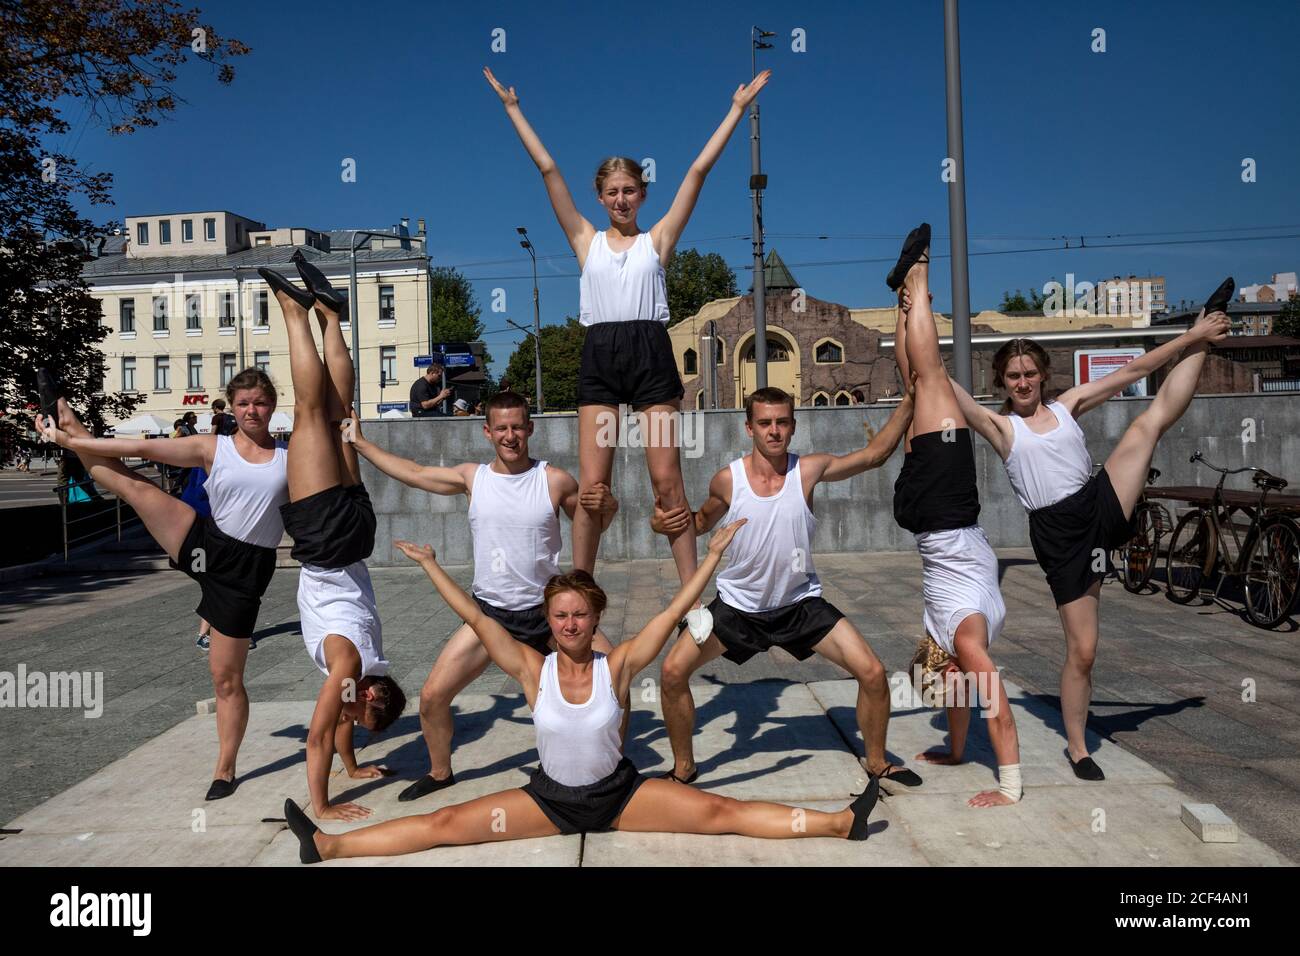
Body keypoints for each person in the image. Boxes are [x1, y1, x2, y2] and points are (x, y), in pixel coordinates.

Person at [282, 521, 885, 864]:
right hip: (550, 801)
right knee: (442, 822)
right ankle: (329, 845)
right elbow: (477, 615)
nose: (569, 625)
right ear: (549, 621)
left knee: (723, 815)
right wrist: (431, 565)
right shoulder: (529, 670)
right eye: (560, 616)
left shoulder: (618, 666)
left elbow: (675, 609)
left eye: (579, 615)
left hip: (621, 796)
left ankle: (839, 823)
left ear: (594, 619)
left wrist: (714, 557)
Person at [483, 65, 772, 642]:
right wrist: (514, 108)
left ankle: (692, 599)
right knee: (594, 489)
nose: (620, 199)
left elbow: (697, 170)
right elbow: (547, 169)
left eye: (629, 190)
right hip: (600, 352)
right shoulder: (585, 241)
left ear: (642, 194)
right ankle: (578, 593)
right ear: (600, 197)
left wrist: (736, 110)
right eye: (611, 191)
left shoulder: (655, 242)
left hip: (649, 351)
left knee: (668, 483)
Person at [945, 276, 1231, 780]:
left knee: (1148, 423)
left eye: (1030, 372)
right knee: (1083, 649)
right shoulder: (999, 426)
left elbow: (1138, 368)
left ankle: (1205, 330)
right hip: (1058, 533)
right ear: (1001, 381)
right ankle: (1078, 747)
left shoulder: (1067, 404)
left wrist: (1193, 336)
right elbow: (937, 380)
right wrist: (912, 322)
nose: (1023, 381)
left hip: (1098, 499)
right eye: (1013, 375)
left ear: (1043, 375)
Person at [348, 389, 621, 800]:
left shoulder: (554, 480)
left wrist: (610, 507)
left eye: (517, 427)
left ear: (529, 429)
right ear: (487, 432)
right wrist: (359, 442)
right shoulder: (473, 478)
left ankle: (610, 770)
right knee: (432, 697)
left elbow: (592, 523)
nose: (510, 436)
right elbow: (414, 472)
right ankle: (441, 773)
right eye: (501, 428)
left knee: (616, 680)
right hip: (489, 617)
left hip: (546, 617)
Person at [651, 386, 922, 790]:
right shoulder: (729, 479)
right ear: (749, 428)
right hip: (738, 608)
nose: (773, 431)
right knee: (672, 672)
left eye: (781, 422)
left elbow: (874, 455)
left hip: (800, 606)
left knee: (874, 672)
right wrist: (663, 524)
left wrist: (910, 400)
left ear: (793, 426)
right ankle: (684, 767)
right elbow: (699, 522)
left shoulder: (808, 470)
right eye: (764, 423)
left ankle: (878, 761)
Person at [38, 366, 288, 800]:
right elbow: (136, 445)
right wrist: (72, 442)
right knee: (127, 482)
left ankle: (224, 768)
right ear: (232, 406)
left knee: (226, 680)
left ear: (273, 405)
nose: (252, 410)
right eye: (244, 403)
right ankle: (64, 416)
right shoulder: (213, 446)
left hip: (244, 572)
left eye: (260, 402)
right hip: (204, 543)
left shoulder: (289, 456)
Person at [259, 256, 407, 822]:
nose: (352, 723)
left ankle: (329, 317)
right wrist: (323, 802)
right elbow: (319, 736)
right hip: (324, 538)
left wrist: (354, 766)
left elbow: (343, 724)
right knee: (311, 415)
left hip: (356, 534)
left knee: (343, 412)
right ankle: (296, 315)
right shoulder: (346, 665)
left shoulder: (368, 664)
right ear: (368, 693)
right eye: (363, 720)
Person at [889, 223, 1021, 807]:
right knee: (932, 376)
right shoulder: (966, 642)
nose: (948, 695)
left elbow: (962, 702)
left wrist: (955, 751)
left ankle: (906, 298)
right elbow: (996, 706)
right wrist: (1009, 787)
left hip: (934, 514)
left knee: (915, 385)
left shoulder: (948, 640)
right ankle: (919, 276)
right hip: (946, 505)